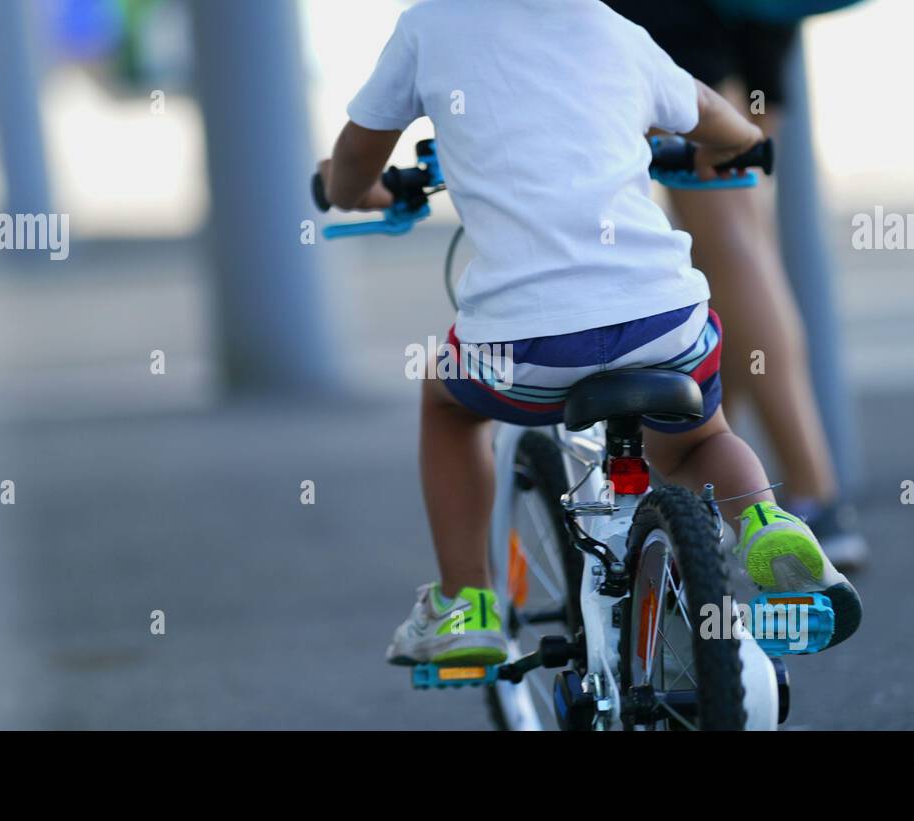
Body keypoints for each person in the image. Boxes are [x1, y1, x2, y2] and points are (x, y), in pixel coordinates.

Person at [316, 0, 861, 667]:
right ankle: (766, 520)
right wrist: (734, 144)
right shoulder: (616, 28)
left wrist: (355, 190)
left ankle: (464, 603)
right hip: (662, 322)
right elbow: (710, 112)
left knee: (445, 400)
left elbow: (356, 154)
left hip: (525, 349)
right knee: (699, 441)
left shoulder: (430, 27)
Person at [603, 0, 870, 569]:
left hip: (688, 20)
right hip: (761, 15)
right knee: (744, 241)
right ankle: (734, 489)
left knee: (731, 244)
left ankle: (812, 495)